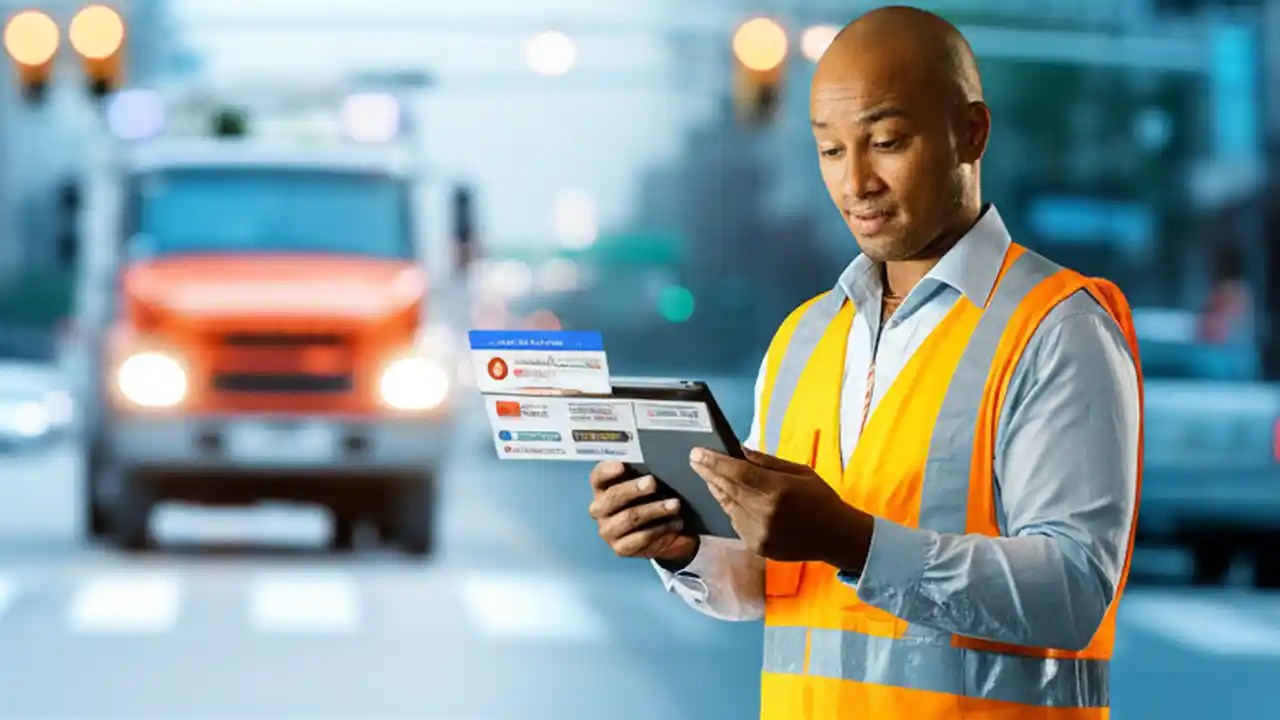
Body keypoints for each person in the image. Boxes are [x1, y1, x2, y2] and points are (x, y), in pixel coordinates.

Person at [586, 5, 1142, 719]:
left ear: (971, 133)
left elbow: (1073, 592)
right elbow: (765, 583)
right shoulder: (804, 339)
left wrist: (850, 538)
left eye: (886, 141)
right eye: (829, 150)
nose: (856, 182)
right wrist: (682, 546)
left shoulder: (1056, 329)